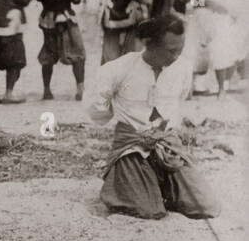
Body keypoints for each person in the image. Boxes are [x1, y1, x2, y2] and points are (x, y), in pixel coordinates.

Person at [88, 14, 217, 220]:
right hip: (132, 146)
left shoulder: (182, 68)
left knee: (205, 205)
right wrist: (128, 122)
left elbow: (178, 101)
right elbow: (97, 110)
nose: (177, 55)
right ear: (149, 44)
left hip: (167, 145)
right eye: (171, 50)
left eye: (181, 48)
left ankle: (159, 185)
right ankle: (130, 185)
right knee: (148, 209)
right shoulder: (119, 68)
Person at [34, 0, 86, 100]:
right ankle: (80, 90)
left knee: (48, 53)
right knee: (78, 53)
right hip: (64, 16)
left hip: (46, 17)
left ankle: (46, 90)